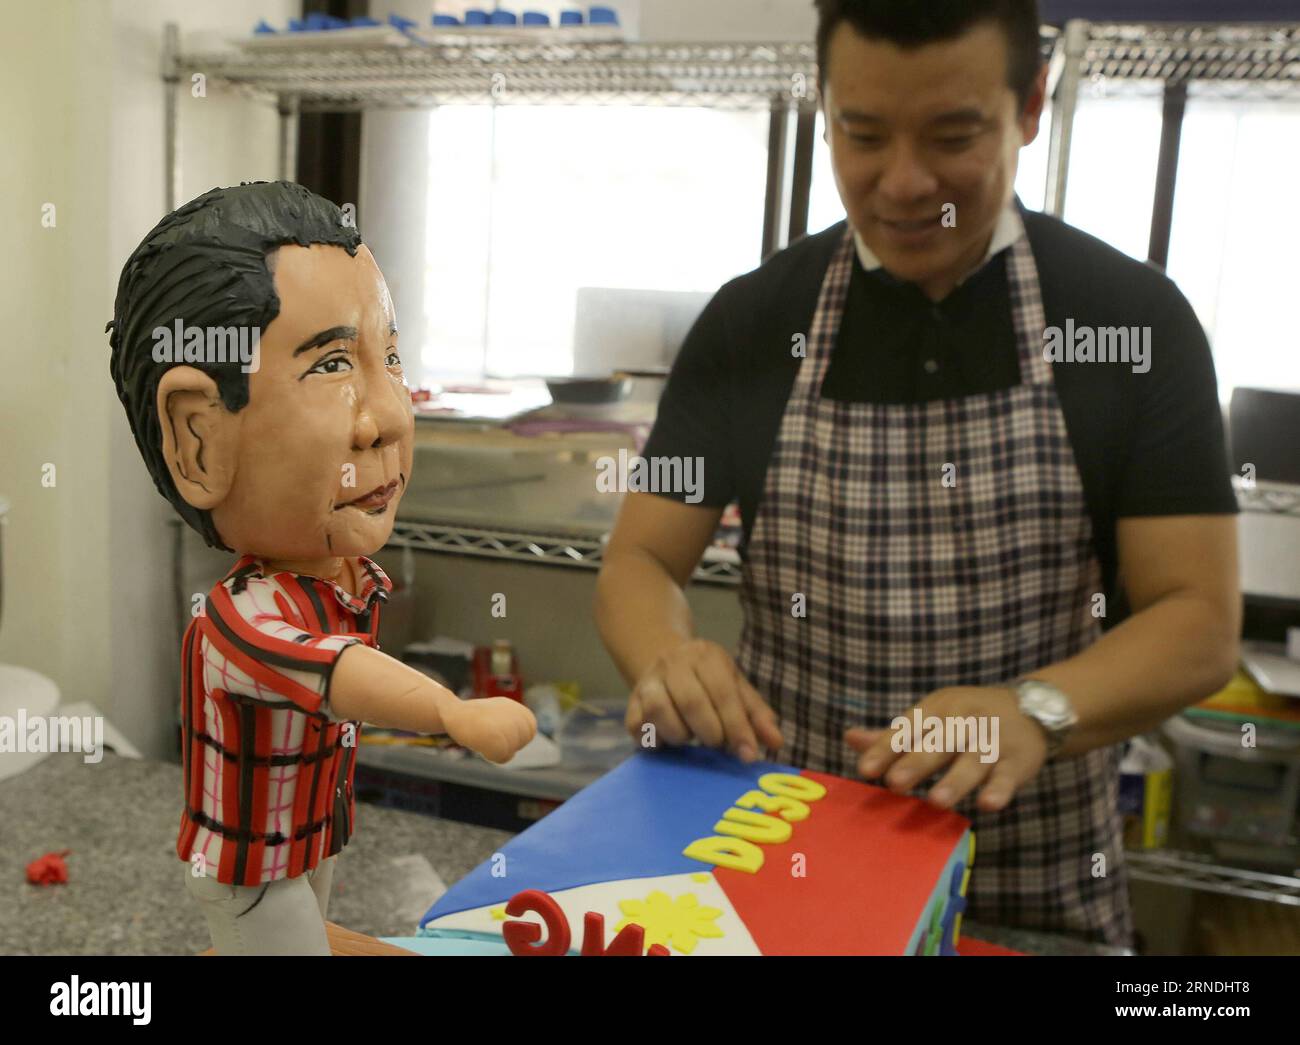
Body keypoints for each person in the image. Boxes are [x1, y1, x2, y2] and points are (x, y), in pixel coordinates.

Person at [594, 0, 1241, 946]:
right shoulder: (751, 323)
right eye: (863, 134)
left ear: (1030, 106)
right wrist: (670, 660)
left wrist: (1036, 709)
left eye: (952, 135)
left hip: (1029, 898)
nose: (904, 183)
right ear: (825, 110)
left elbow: (1200, 621)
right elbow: (639, 562)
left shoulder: (1129, 323)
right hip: (791, 871)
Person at [108, 181, 535, 954]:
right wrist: (449, 713)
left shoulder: (340, 578)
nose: (393, 415)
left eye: (390, 357)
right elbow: (341, 673)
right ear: (199, 440)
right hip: (249, 869)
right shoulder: (240, 616)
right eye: (333, 363)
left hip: (306, 839)